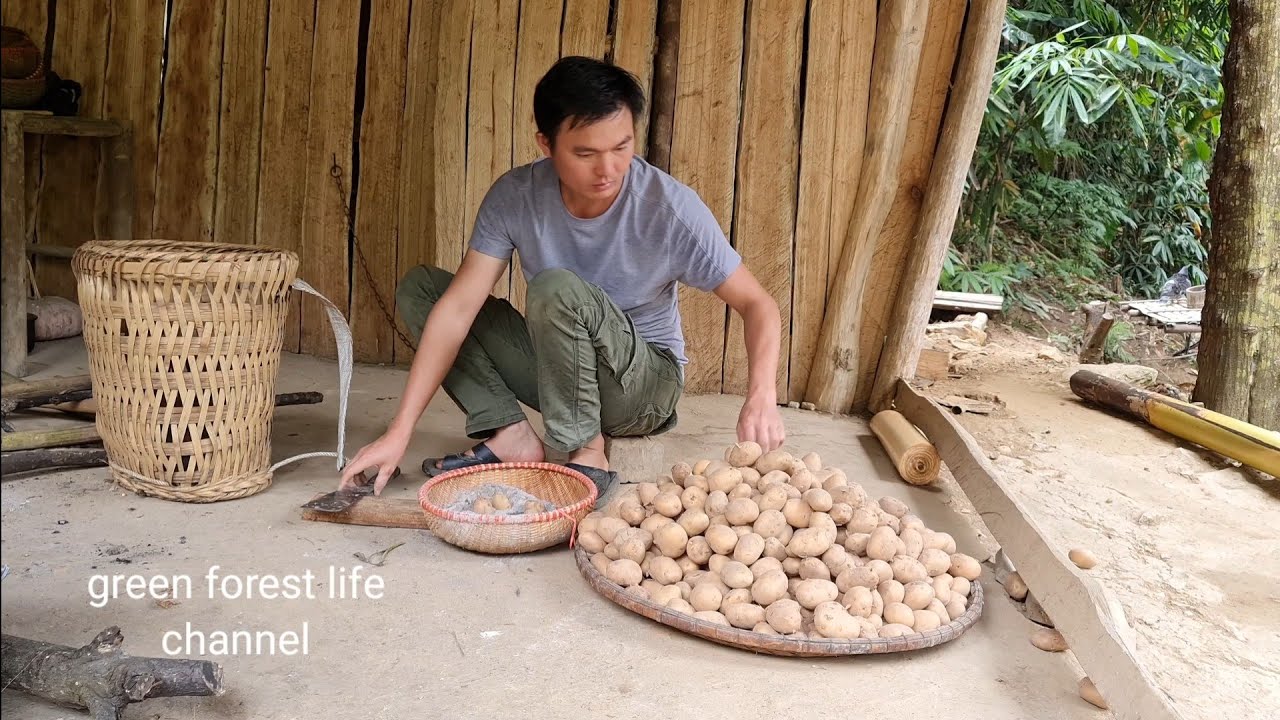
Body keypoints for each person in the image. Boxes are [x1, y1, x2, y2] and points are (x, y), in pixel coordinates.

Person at [338, 56, 785, 496]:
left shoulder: (669, 208)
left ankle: (586, 451)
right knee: (425, 289)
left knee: (555, 288)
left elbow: (757, 304)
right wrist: (399, 431)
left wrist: (761, 394)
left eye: (621, 147)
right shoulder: (516, 196)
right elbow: (457, 310)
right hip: (559, 371)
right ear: (546, 144)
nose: (608, 169)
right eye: (586, 153)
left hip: (640, 387)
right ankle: (510, 434)